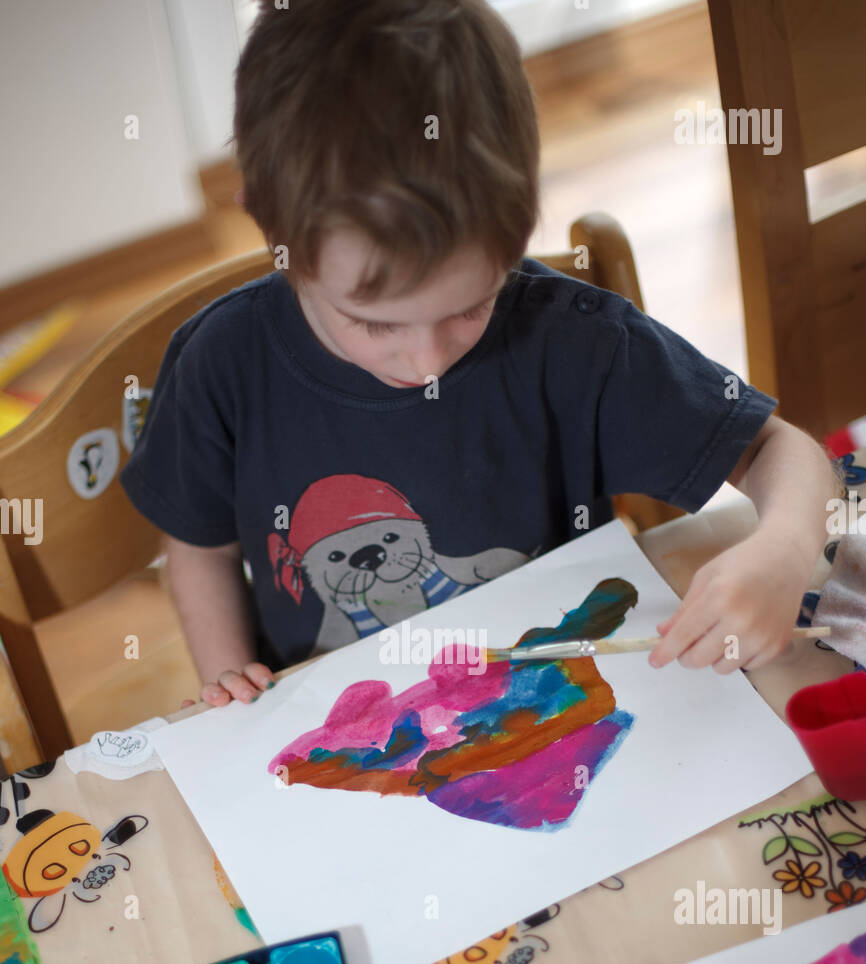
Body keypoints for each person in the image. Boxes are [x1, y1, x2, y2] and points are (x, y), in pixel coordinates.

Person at [120, 0, 842, 710]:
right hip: (341, 718)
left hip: (552, 692)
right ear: (267, 223)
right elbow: (199, 548)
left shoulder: (573, 340)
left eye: (469, 307)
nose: (427, 361)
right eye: (373, 325)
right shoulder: (222, 367)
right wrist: (229, 682)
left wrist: (783, 548)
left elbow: (782, 451)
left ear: (519, 223)